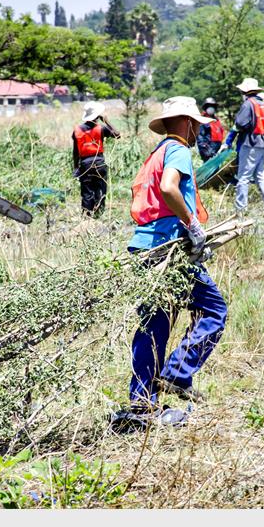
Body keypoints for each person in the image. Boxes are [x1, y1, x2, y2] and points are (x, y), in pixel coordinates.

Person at [112, 96, 229, 433]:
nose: (196, 132)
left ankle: (142, 404)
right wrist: (192, 224)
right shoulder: (178, 148)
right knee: (213, 310)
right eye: (195, 125)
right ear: (188, 123)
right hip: (168, 250)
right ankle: (177, 374)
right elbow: (168, 188)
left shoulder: (158, 152)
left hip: (144, 248)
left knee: (153, 326)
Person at [231, 78, 264, 212]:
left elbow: (239, 123)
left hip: (249, 144)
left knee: (243, 176)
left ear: (245, 91)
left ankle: (241, 208)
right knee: (260, 176)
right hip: (262, 145)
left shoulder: (248, 104)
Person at [72, 101, 121, 218]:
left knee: (87, 192)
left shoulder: (77, 131)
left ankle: (87, 216)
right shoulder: (101, 129)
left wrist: (76, 167)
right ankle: (99, 214)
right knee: (100, 190)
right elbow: (117, 135)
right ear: (97, 116)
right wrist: (107, 121)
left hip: (85, 164)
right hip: (99, 163)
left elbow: (75, 152)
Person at [195, 97, 225, 162]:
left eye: (212, 106)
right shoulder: (203, 120)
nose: (211, 108)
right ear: (205, 107)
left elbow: (220, 132)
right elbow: (200, 138)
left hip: (217, 150)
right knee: (210, 169)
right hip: (208, 150)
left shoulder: (216, 120)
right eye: (209, 106)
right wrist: (207, 152)